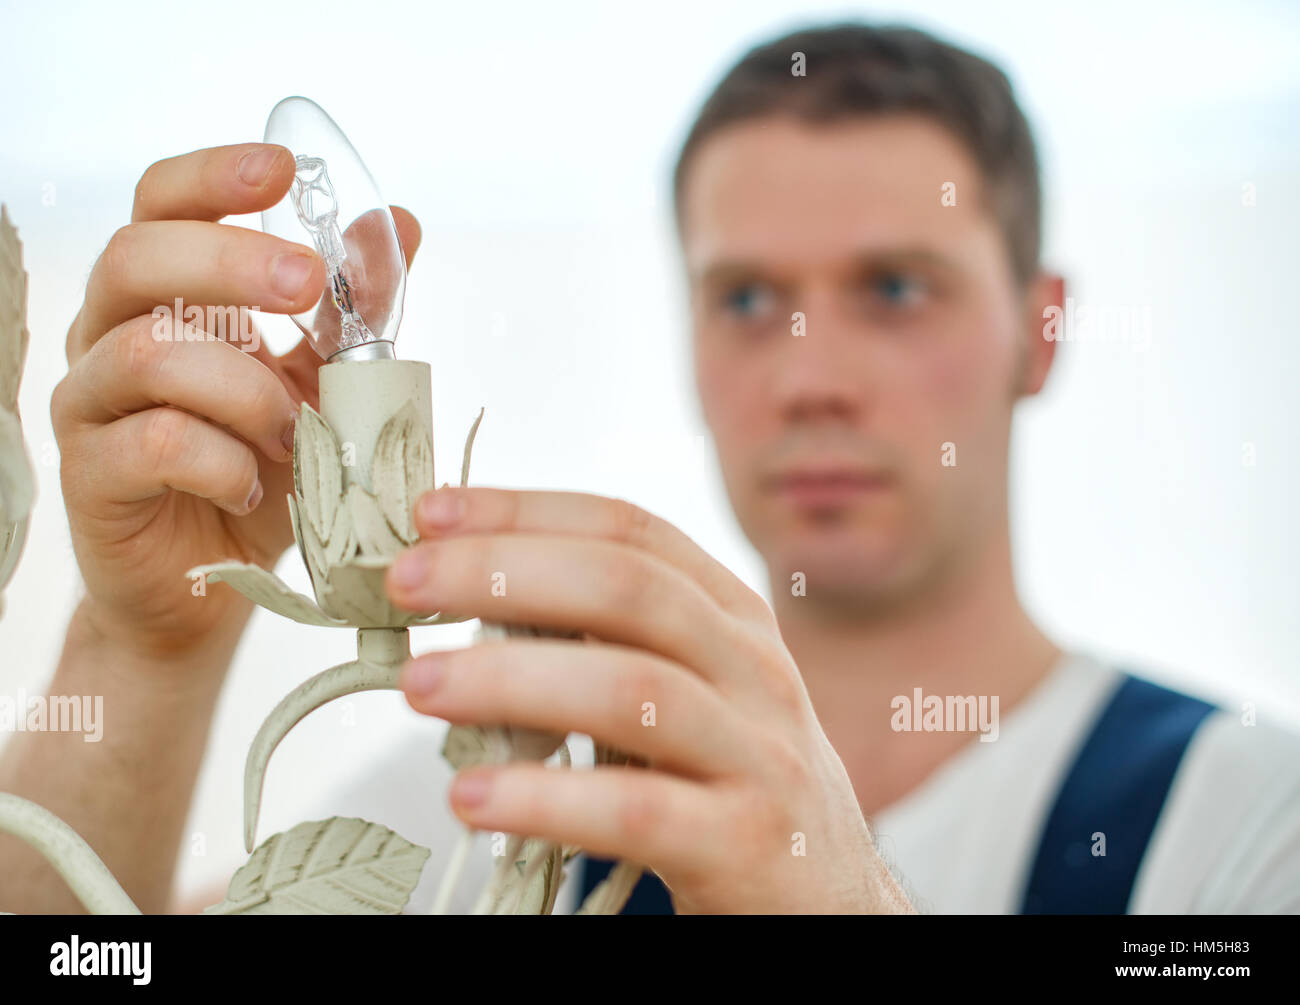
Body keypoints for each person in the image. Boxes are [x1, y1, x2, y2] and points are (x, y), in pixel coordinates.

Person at [1, 21, 1296, 915]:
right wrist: (145, 646)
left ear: (1043, 326)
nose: (809, 373)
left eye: (897, 288)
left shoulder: (1242, 819)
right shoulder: (512, 776)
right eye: (747, 298)